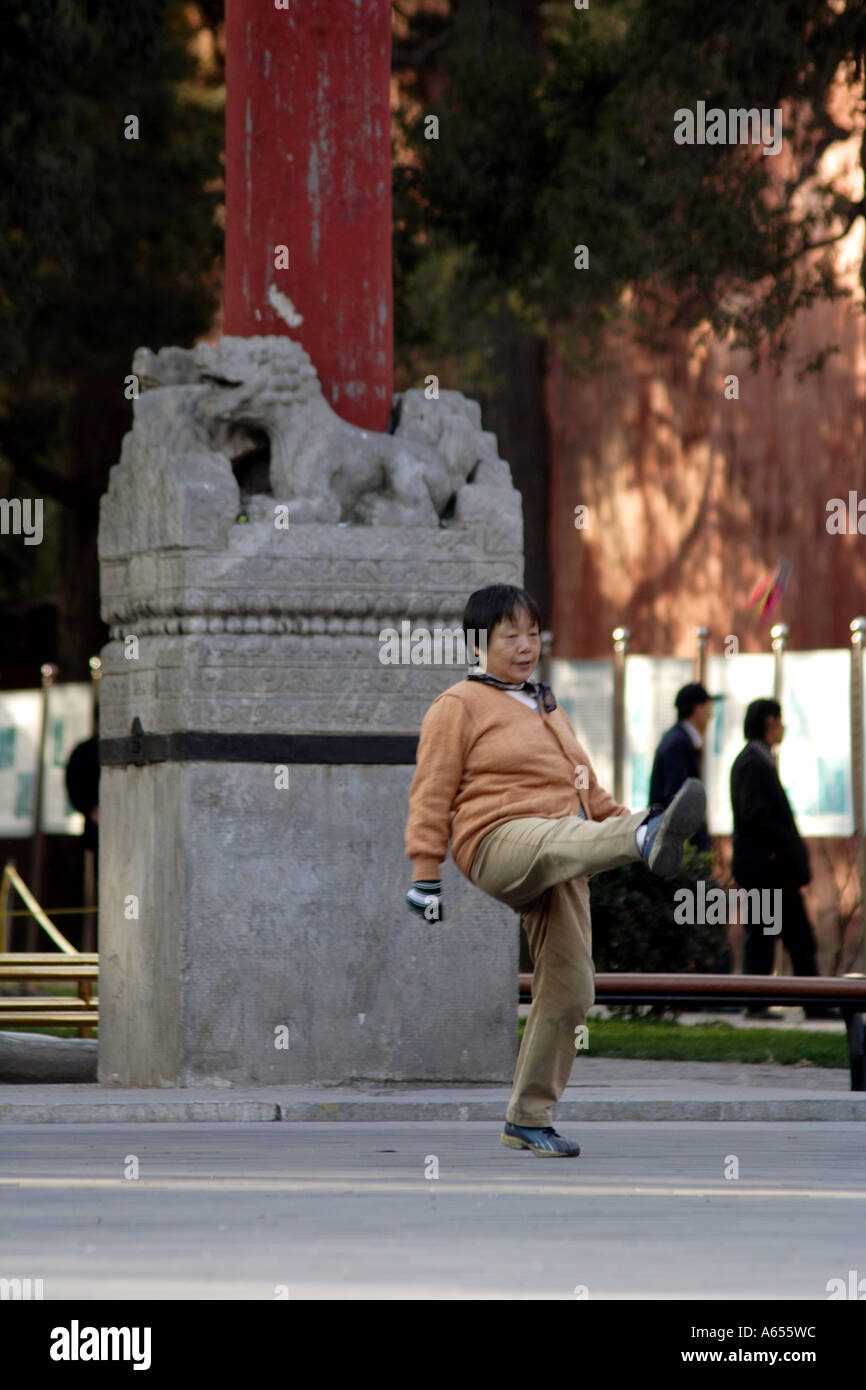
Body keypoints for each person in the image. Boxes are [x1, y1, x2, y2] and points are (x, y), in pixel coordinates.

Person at [404, 584, 706, 1158]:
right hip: (496, 839)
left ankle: (527, 1116)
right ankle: (644, 835)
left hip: (562, 846)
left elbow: (584, 782)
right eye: (510, 634)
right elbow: (431, 789)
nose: (526, 645)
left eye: (533, 633)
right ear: (477, 644)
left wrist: (616, 823)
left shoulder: (545, 703)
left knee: (571, 989)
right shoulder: (458, 704)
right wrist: (425, 872)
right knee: (558, 836)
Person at [729, 697, 834, 1020]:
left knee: (798, 937)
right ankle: (758, 1003)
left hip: (775, 871)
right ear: (768, 723)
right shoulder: (752, 763)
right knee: (764, 936)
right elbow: (755, 815)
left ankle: (812, 1002)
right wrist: (781, 846)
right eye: (779, 720)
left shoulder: (761, 760)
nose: (783, 727)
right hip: (766, 869)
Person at [648, 682, 719, 852]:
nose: (711, 715)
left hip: (679, 843)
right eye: (708, 707)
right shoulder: (678, 744)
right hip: (680, 847)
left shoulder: (680, 740)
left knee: (700, 880)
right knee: (699, 880)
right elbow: (678, 797)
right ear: (697, 708)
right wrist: (697, 843)